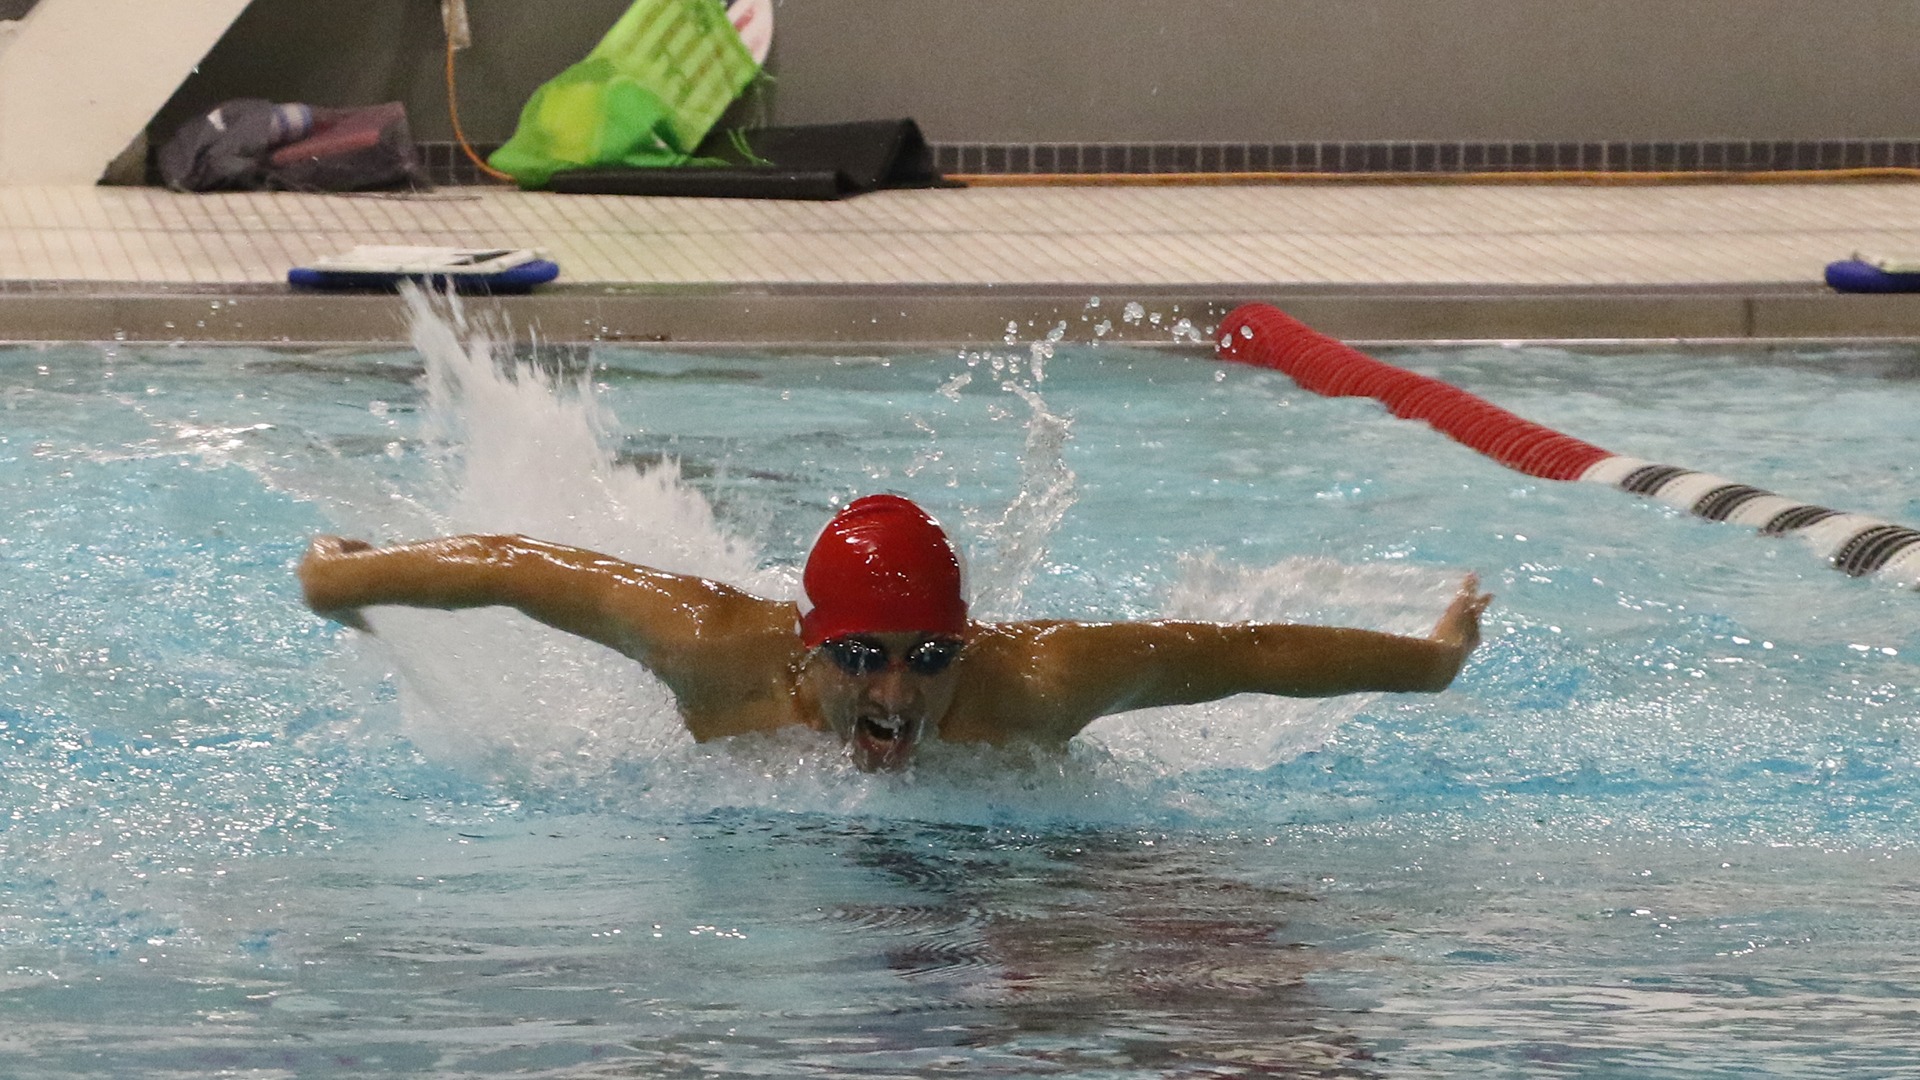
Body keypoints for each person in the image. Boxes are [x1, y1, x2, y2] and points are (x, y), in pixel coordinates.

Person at [299, 494, 1492, 771]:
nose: (899, 691)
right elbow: (517, 571)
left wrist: (1430, 666)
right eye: (865, 656)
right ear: (808, 650)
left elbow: (1244, 658)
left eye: (929, 658)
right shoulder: (712, 647)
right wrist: (344, 583)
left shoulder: (1035, 682)